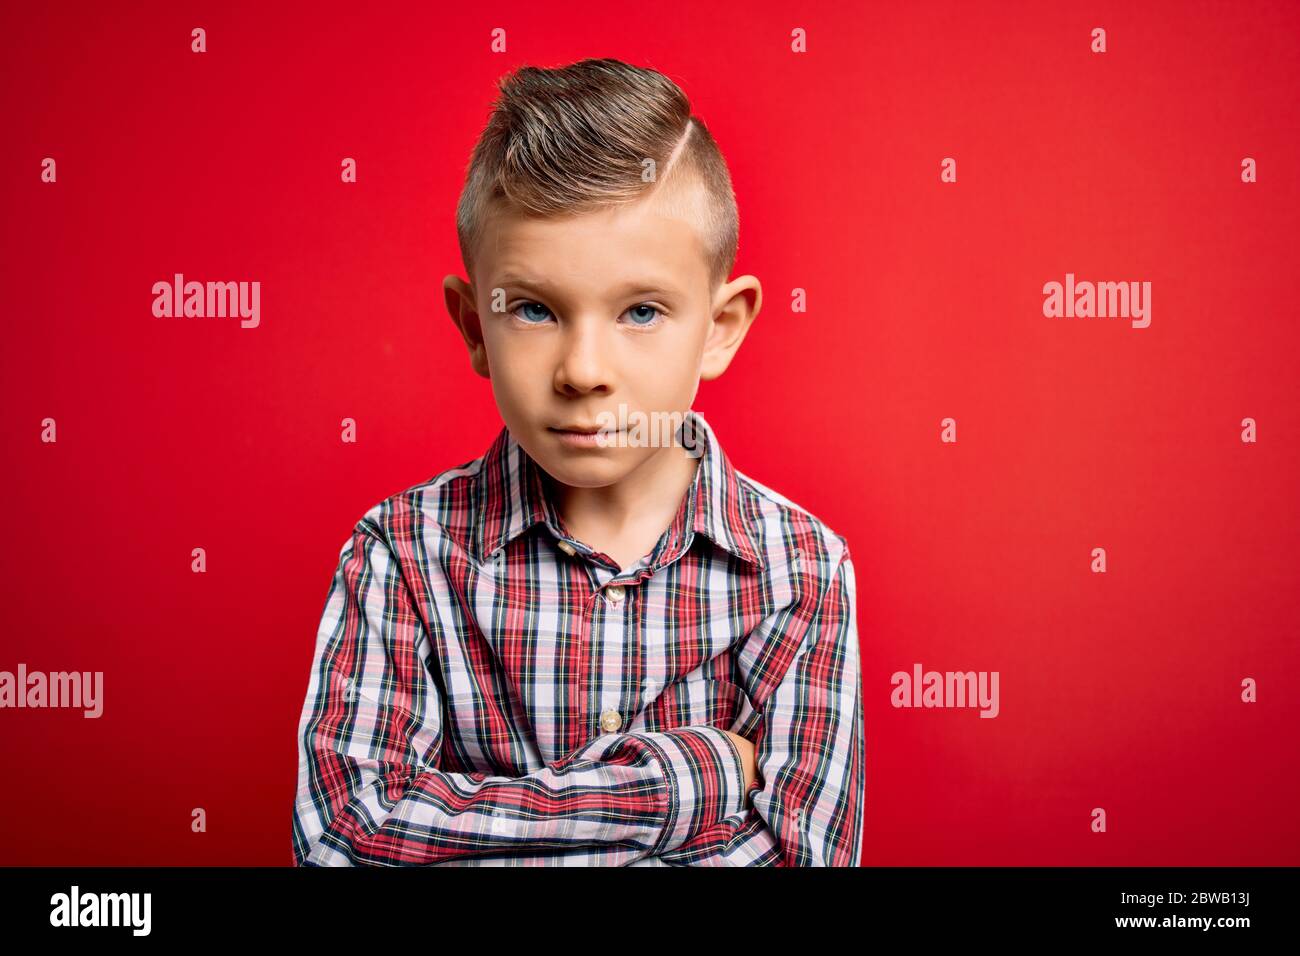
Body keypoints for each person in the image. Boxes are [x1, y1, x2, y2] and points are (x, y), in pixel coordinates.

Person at [291, 57, 864, 866]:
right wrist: (681, 781)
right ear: (473, 327)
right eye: (533, 308)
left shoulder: (800, 573)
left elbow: (800, 857)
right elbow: (346, 840)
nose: (583, 369)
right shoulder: (402, 556)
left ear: (723, 325)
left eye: (640, 310)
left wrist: (461, 822)